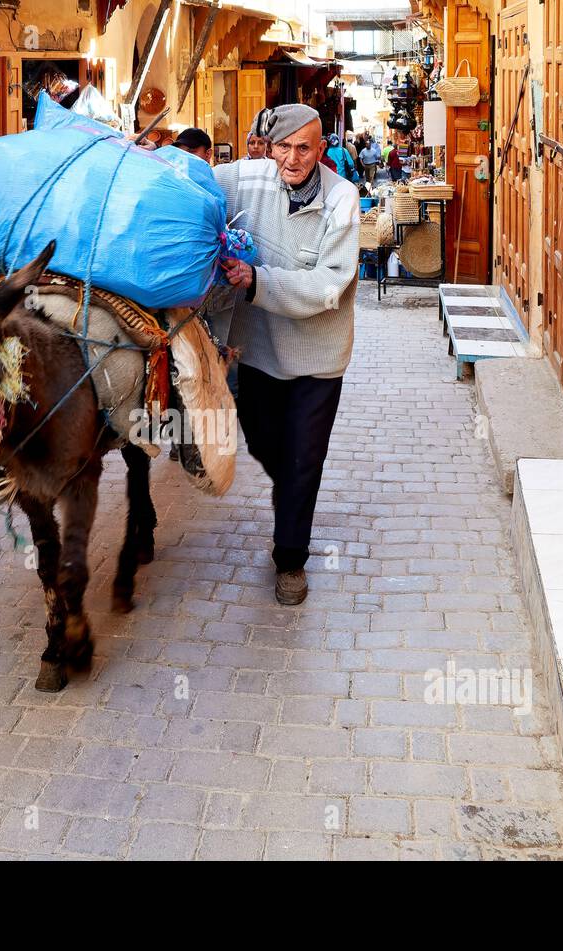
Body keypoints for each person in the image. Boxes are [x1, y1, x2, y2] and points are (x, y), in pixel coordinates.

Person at [212, 103, 359, 605]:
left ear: (321, 150)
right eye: (283, 147)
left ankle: (290, 560)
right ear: (269, 148)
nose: (292, 158)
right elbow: (196, 178)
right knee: (264, 445)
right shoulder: (250, 179)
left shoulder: (343, 200)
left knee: (302, 462)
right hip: (259, 352)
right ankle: (288, 498)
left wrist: (257, 280)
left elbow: (330, 285)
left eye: (303, 148)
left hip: (318, 357)